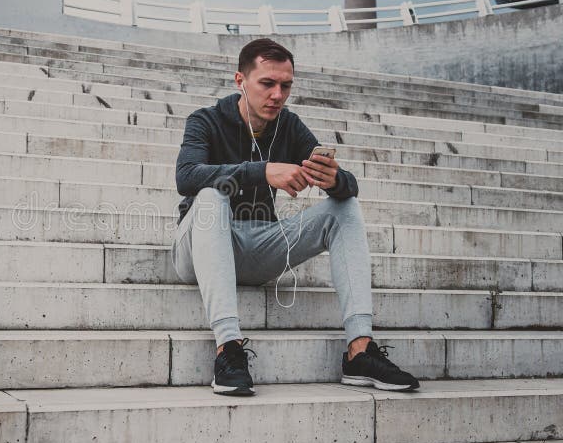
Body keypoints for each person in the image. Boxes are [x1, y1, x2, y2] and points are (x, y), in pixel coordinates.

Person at [171, 38, 419, 396]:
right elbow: (187, 176)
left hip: (259, 246)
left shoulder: (289, 125)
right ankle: (228, 349)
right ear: (240, 80)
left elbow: (346, 183)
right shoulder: (205, 120)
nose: (277, 95)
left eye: (285, 86)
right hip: (199, 249)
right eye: (267, 83)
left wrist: (335, 180)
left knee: (344, 205)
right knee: (212, 191)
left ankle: (360, 352)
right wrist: (262, 171)